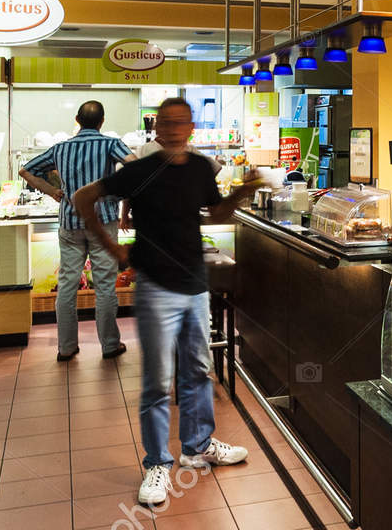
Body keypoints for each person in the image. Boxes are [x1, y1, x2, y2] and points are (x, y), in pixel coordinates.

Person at [73, 97, 266, 506]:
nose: (175, 129)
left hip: (194, 286)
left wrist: (245, 191)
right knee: (158, 382)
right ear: (156, 128)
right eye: (167, 122)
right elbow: (82, 199)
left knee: (198, 371)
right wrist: (109, 246)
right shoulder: (140, 169)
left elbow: (215, 215)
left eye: (181, 122)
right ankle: (157, 464)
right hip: (156, 288)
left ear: (191, 128)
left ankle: (197, 448)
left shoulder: (199, 168)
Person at [21, 100, 132, 362]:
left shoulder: (60, 148)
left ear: (77, 120)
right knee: (105, 285)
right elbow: (135, 165)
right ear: (102, 121)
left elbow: (26, 170)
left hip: (69, 224)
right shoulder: (111, 144)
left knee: (67, 285)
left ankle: (67, 347)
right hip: (103, 222)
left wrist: (52, 191)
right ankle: (110, 345)